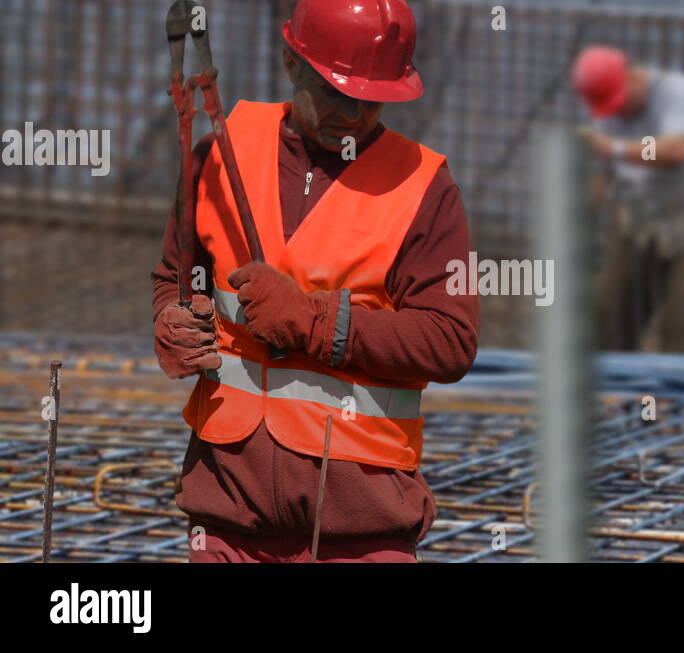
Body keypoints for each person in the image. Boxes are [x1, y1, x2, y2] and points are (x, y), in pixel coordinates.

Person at [150, 0, 479, 563]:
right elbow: (177, 276)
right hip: (228, 524)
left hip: (362, 531)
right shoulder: (220, 152)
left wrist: (315, 321)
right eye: (337, 92)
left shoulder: (423, 187)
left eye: (372, 98)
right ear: (290, 62)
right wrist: (172, 322)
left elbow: (449, 341)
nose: (354, 113)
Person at [572, 45, 684, 352]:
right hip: (642, 224)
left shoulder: (677, 92)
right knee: (610, 317)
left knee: (683, 327)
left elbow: (677, 150)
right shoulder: (607, 113)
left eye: (618, 102)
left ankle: (675, 397)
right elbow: (602, 175)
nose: (617, 113)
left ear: (632, 77)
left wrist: (615, 149)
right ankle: (615, 394)